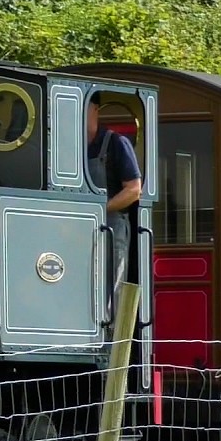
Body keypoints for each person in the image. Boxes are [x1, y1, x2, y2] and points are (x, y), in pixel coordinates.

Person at [86, 92, 142, 323]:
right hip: (79, 230)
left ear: (95, 110)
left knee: (112, 289)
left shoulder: (117, 143)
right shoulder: (70, 145)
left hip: (111, 227)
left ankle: (112, 340)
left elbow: (133, 189)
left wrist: (101, 210)